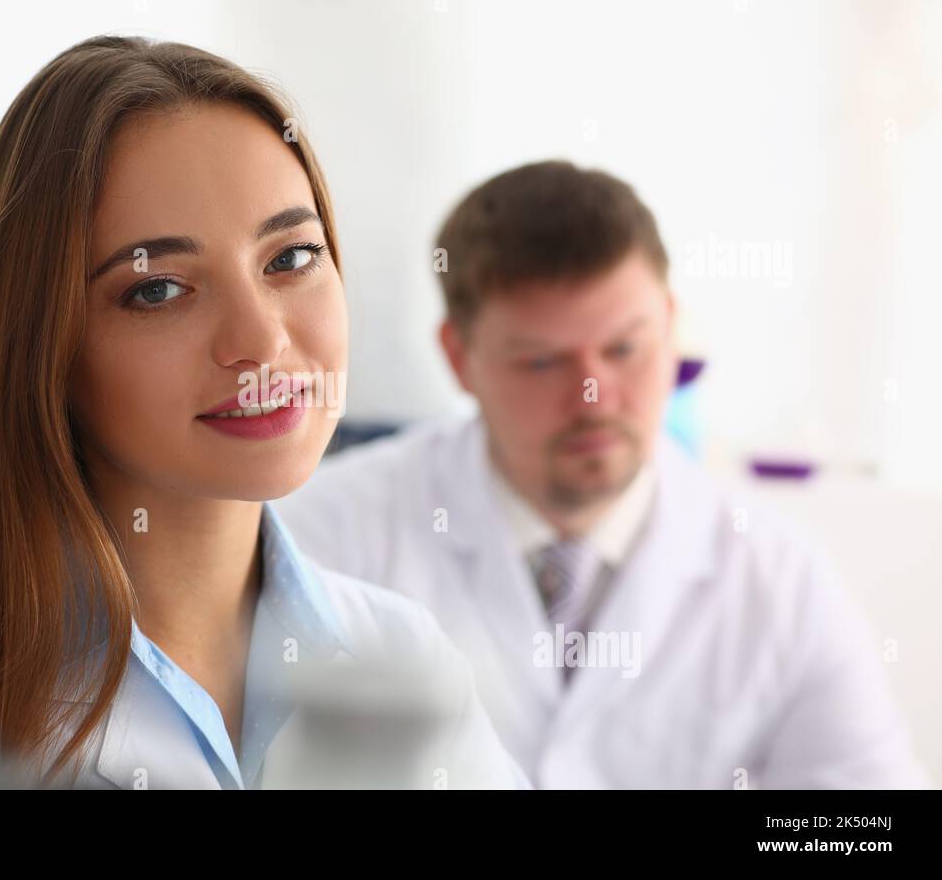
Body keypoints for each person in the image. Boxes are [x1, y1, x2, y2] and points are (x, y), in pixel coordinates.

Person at [0, 35, 529, 790]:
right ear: (39, 345)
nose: (262, 340)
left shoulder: (405, 656)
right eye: (157, 289)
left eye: (290, 258)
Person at [275, 160, 930, 789]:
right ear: (459, 356)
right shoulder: (321, 536)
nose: (593, 395)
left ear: (671, 326)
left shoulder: (779, 579)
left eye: (623, 348)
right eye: (540, 362)